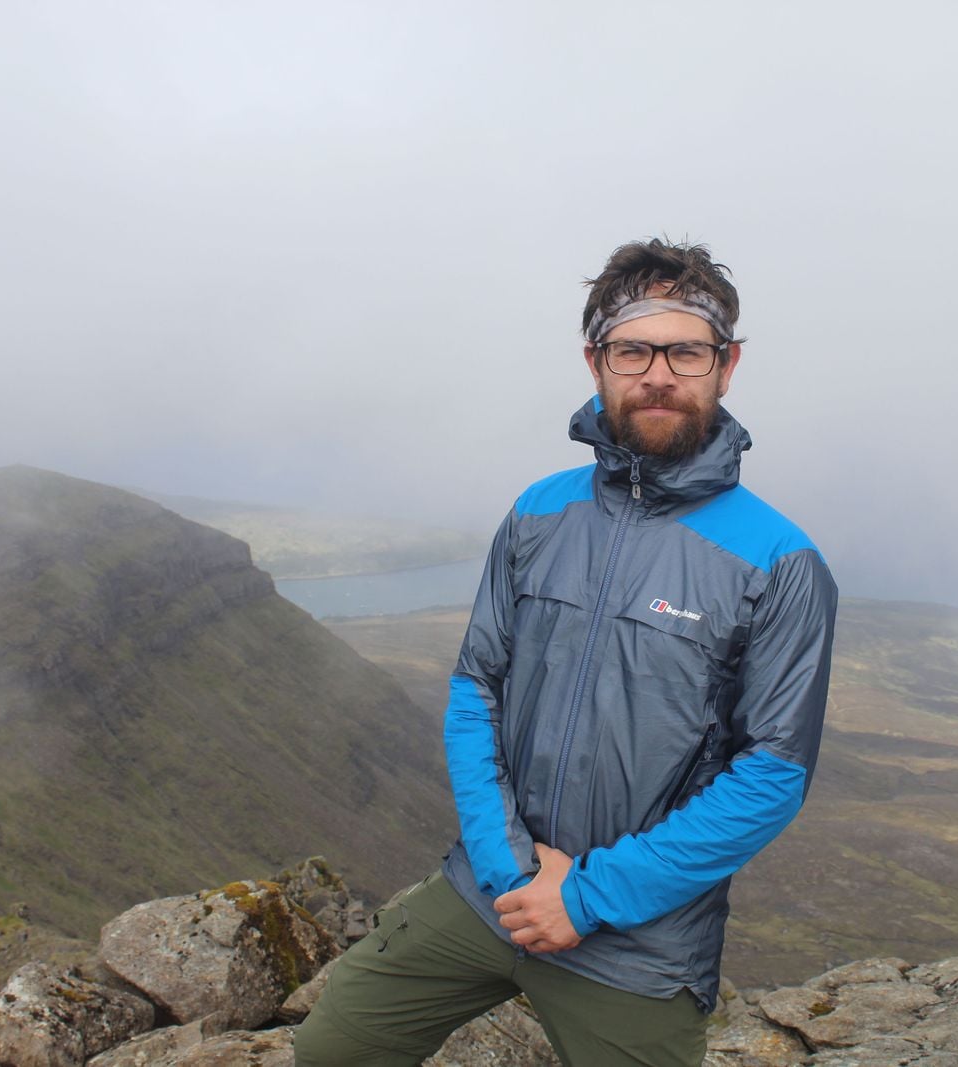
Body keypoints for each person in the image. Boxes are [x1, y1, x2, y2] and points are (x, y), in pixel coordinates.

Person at [295, 238, 838, 1066]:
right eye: (632, 351)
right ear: (596, 362)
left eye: (686, 352)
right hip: (491, 891)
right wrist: (512, 872)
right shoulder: (539, 513)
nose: (658, 374)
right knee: (335, 1049)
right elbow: (477, 686)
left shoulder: (780, 560)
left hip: (639, 940)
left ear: (726, 366)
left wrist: (584, 897)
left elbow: (772, 773)